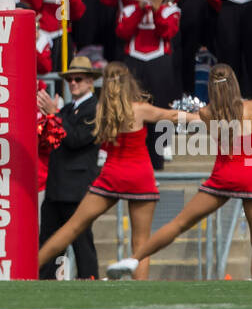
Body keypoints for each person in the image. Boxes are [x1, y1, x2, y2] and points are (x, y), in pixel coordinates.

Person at [106, 64, 252, 279]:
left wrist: (171, 111)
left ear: (211, 87)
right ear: (234, 84)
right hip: (248, 176)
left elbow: (179, 118)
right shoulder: (250, 107)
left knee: (179, 223)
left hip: (222, 177)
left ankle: (133, 259)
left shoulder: (206, 112)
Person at [41, 62, 196, 280]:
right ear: (129, 84)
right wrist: (203, 117)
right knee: (141, 242)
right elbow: (172, 116)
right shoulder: (139, 108)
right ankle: (140, 293)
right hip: (139, 175)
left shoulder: (100, 110)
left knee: (71, 228)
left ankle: (28, 268)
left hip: (112, 174)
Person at [38, 57, 101, 279]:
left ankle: (89, 283)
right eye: (70, 79)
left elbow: (75, 139)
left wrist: (53, 115)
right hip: (56, 189)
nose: (73, 83)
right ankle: (44, 285)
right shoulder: (66, 110)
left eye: (78, 79)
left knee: (82, 245)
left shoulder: (95, 109)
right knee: (48, 244)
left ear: (90, 81)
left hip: (77, 190)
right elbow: (51, 139)